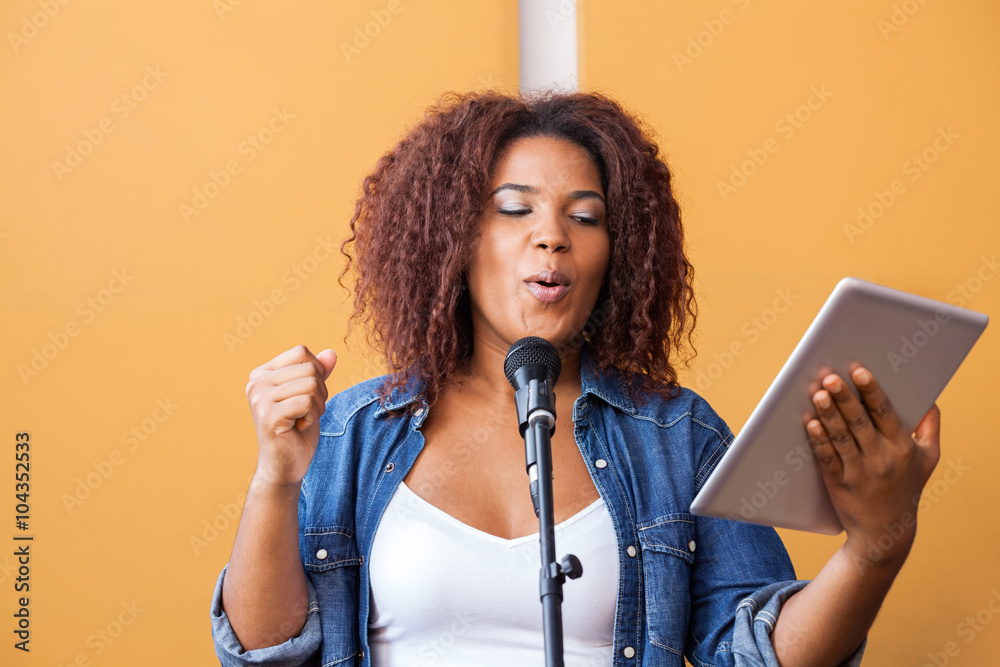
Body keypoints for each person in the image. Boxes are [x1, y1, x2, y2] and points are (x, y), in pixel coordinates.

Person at [209, 90, 941, 667]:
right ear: (453, 240)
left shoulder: (675, 435)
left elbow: (753, 656)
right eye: (514, 209)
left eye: (584, 216)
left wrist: (876, 545)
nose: (552, 233)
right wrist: (276, 477)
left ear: (615, 259)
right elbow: (266, 655)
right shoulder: (353, 429)